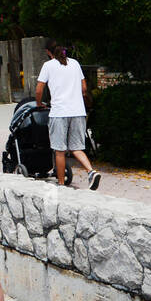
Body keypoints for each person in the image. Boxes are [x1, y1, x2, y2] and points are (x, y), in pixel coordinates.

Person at [36, 40, 101, 190]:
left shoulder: (48, 66)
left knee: (59, 150)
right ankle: (91, 172)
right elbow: (84, 88)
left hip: (59, 112)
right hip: (78, 112)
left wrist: (39, 104)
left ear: (48, 52)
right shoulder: (75, 64)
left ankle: (61, 184)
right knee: (76, 148)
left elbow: (39, 90)